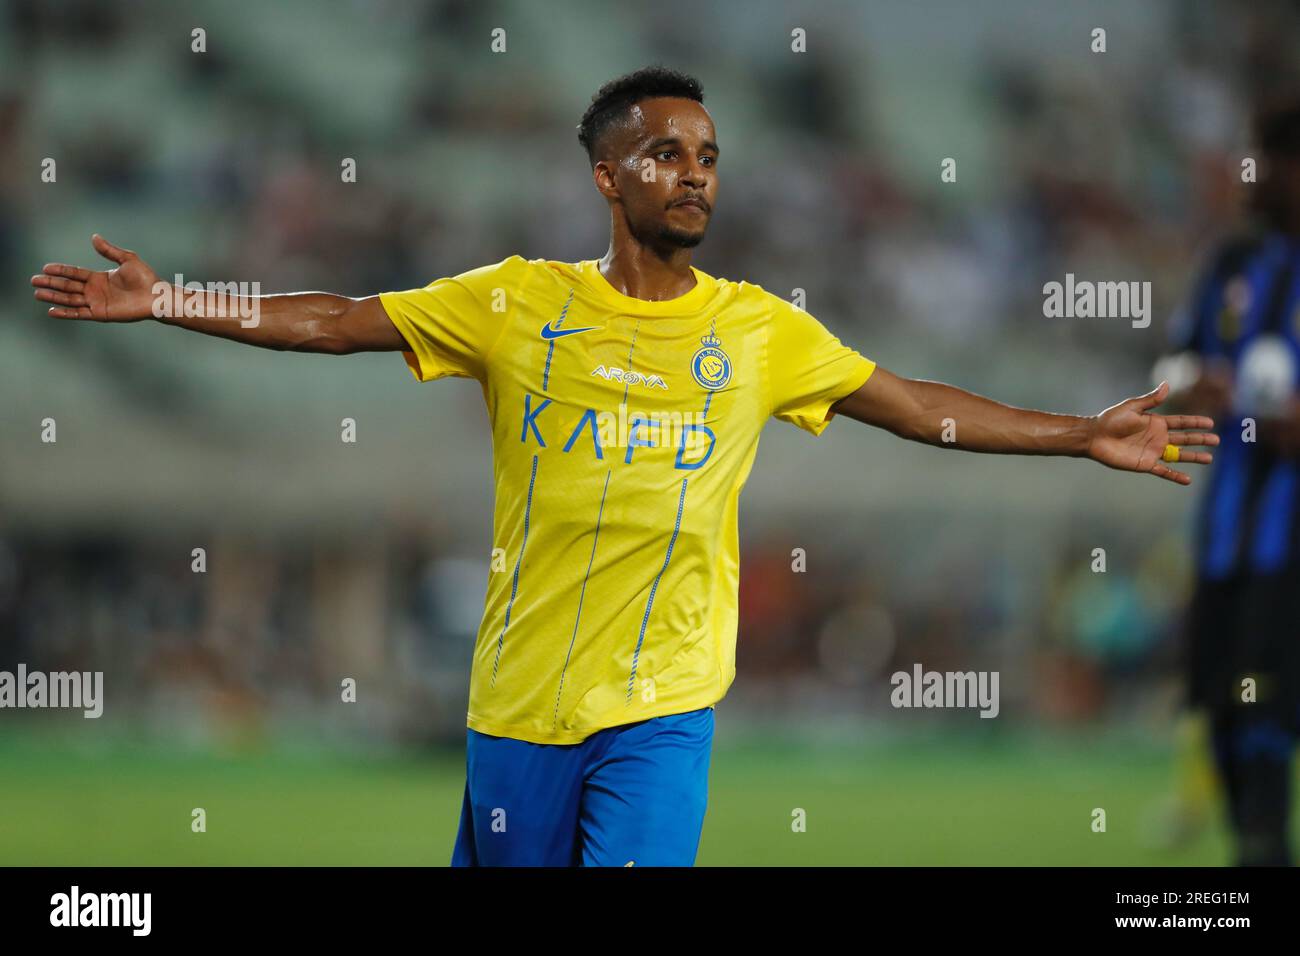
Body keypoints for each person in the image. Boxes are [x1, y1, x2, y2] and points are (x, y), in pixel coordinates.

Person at [31, 66, 1217, 866]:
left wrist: (1079, 430)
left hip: (661, 712)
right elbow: (335, 317)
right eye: (663, 154)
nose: (694, 172)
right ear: (608, 179)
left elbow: (916, 407)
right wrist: (172, 296)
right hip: (515, 708)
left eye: (707, 153)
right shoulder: (514, 301)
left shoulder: (760, 329)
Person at [1157, 97, 1300, 866]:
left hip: (1290, 549)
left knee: (1268, 717)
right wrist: (1190, 388)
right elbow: (1174, 366)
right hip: (1226, 540)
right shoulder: (1233, 262)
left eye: (1272, 160)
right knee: (1223, 712)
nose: (1255, 174)